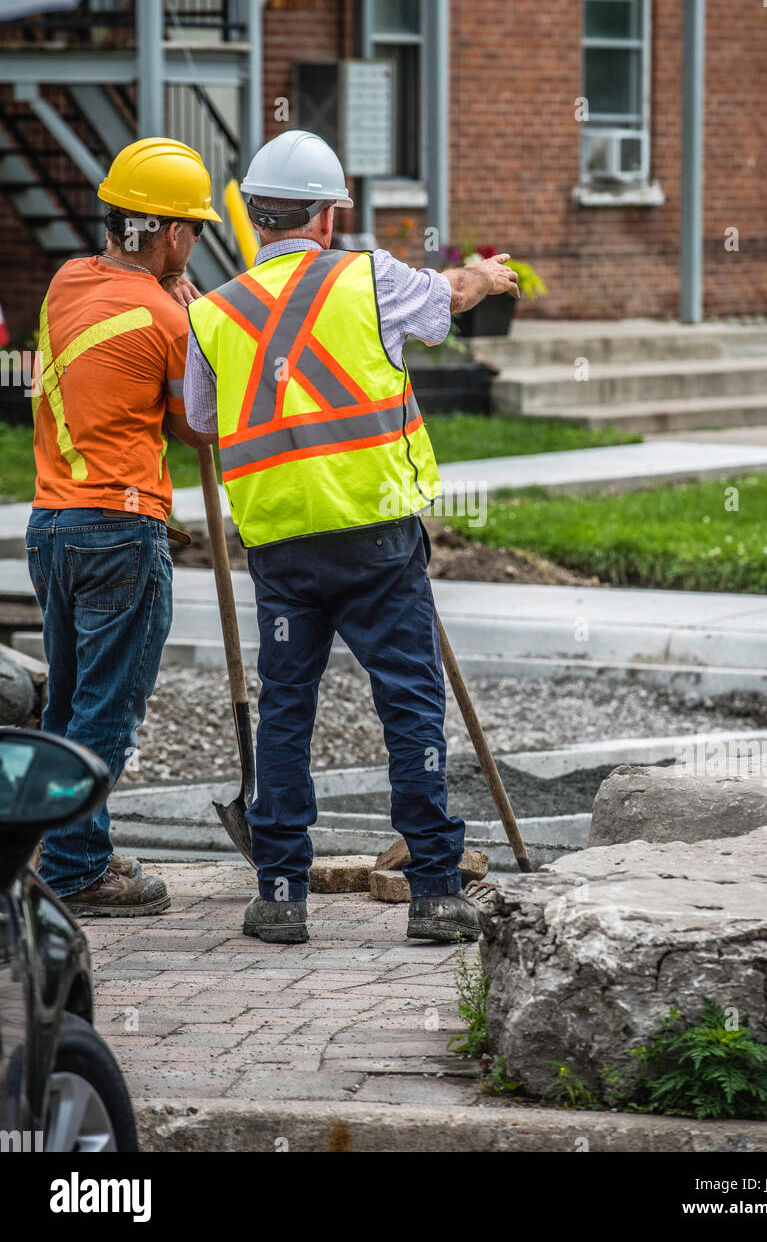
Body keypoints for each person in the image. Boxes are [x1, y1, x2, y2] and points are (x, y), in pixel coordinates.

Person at [185, 129, 519, 945]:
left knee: (287, 711)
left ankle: (279, 894)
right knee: (408, 703)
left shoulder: (213, 310)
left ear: (256, 219)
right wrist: (482, 275)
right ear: (330, 217)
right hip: (376, 539)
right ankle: (436, 893)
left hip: (282, 547)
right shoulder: (371, 276)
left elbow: (198, 421)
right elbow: (446, 305)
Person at [26, 137, 220, 916]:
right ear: (172, 235)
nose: (196, 242)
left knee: (69, 699)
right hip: (121, 528)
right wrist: (200, 329)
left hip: (54, 527)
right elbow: (196, 430)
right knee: (107, 707)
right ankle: (76, 866)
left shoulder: (67, 280)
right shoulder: (167, 316)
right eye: (194, 229)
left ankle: (50, 843)